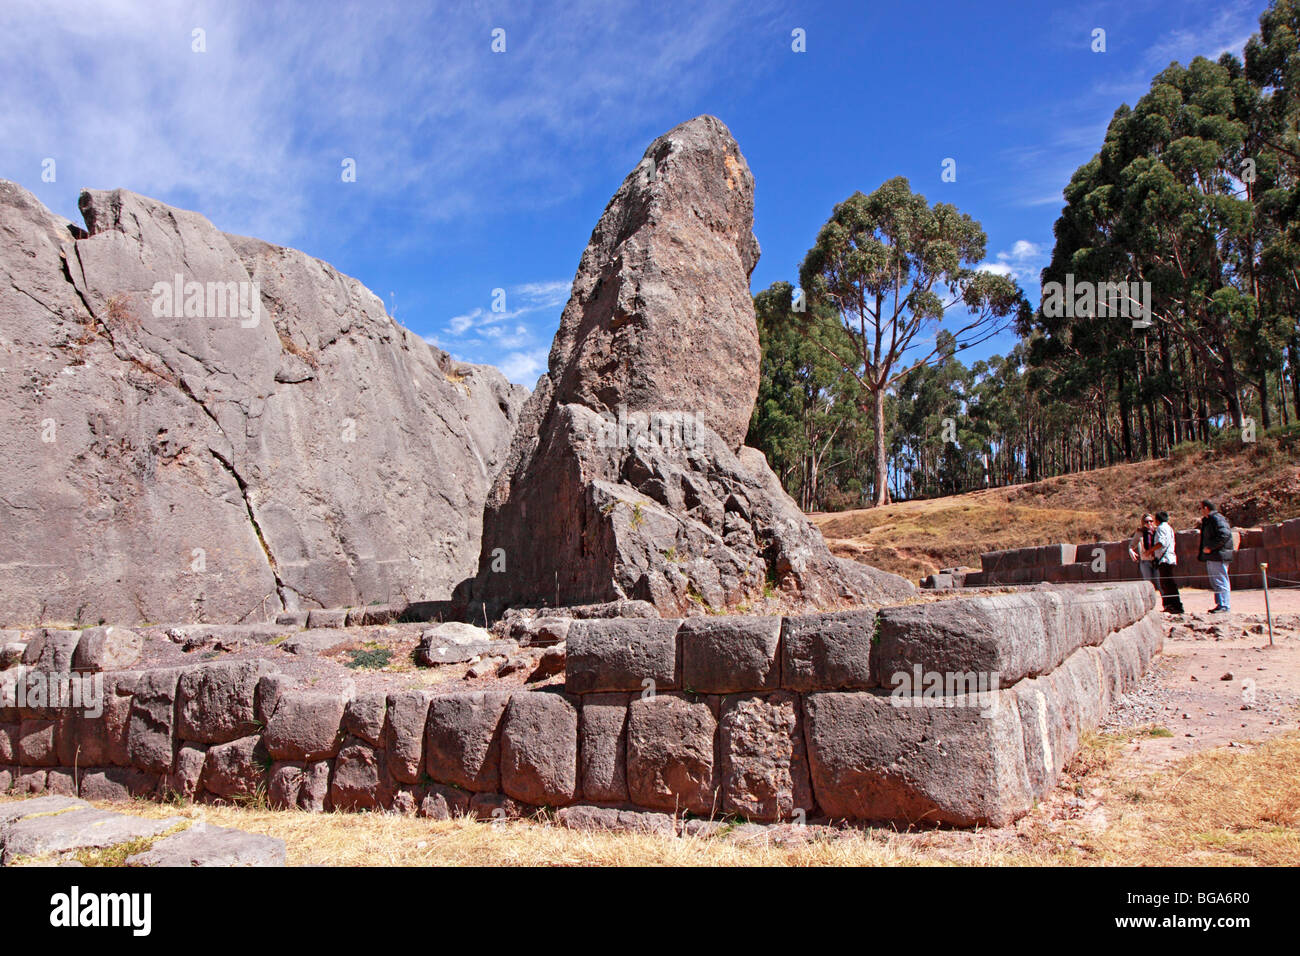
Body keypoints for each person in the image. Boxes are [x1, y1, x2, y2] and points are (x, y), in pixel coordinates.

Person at [1197, 499, 1234, 613]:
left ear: (1206, 508)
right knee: (1216, 581)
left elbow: (1225, 534)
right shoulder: (1209, 520)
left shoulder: (1216, 519)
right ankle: (1220, 604)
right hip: (1213, 556)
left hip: (1218, 555)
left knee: (1221, 580)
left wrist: (1211, 547)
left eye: (1201, 508)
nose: (1200, 511)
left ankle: (1224, 605)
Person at [1151, 510, 1184, 613]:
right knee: (1169, 583)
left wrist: (1150, 550)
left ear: (1157, 520)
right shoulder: (1169, 528)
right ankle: (1173, 605)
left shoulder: (1161, 528)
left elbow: (1161, 543)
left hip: (1164, 560)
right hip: (1169, 558)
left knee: (1167, 584)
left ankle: (1175, 605)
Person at [1128, 514, 1157, 583]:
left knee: (1160, 583)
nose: (1149, 523)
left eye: (1151, 521)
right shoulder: (1140, 532)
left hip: (1157, 560)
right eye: (1147, 521)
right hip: (1145, 561)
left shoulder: (1158, 531)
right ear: (1143, 522)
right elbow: (1131, 545)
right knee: (1148, 584)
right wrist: (1131, 551)